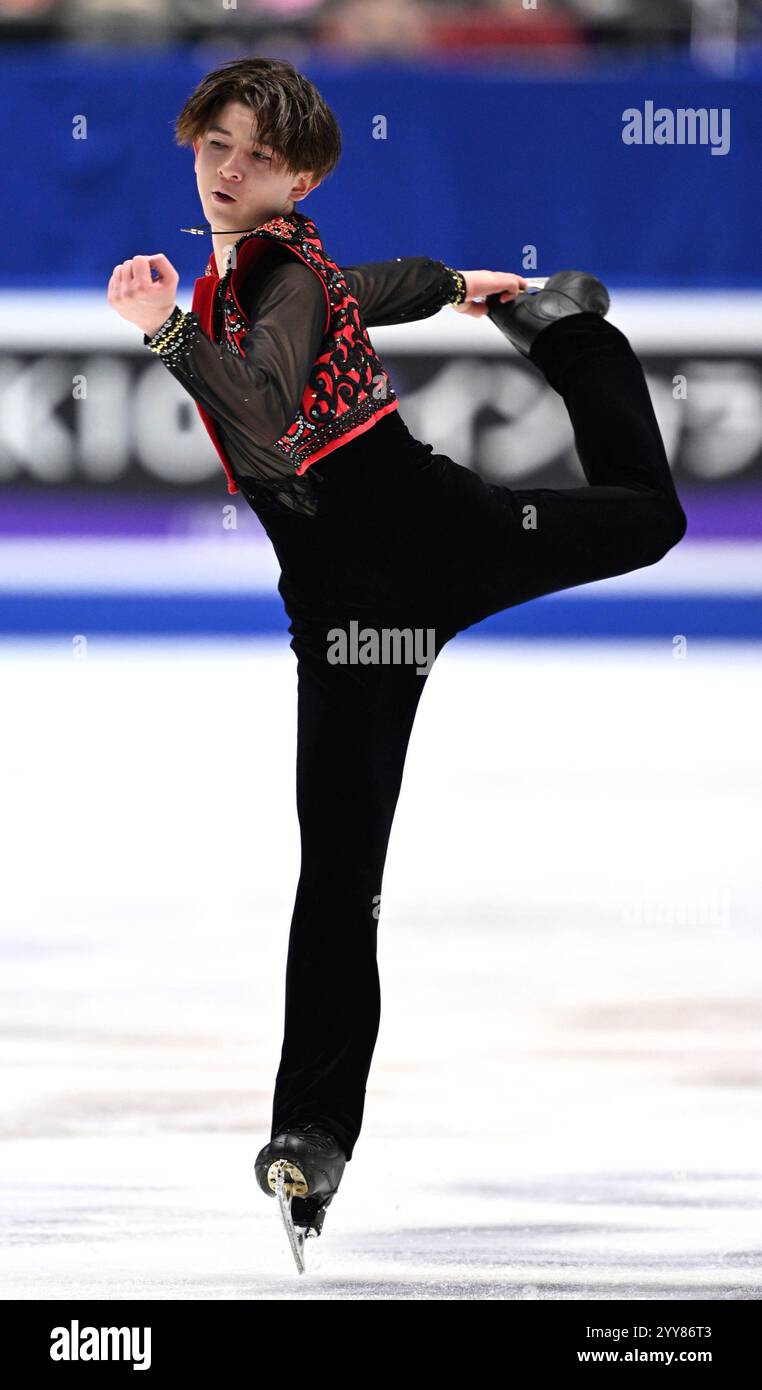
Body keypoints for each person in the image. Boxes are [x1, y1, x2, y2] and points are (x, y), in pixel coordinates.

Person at [107, 57, 687, 1248]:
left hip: (442, 544)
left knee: (653, 516)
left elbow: (264, 402)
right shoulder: (273, 271)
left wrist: (163, 329)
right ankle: (311, 1139)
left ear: (300, 174)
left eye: (253, 154)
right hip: (341, 620)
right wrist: (458, 282)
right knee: (339, 876)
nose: (224, 169)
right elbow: (370, 283)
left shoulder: (264, 276)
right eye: (212, 142)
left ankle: (575, 341)